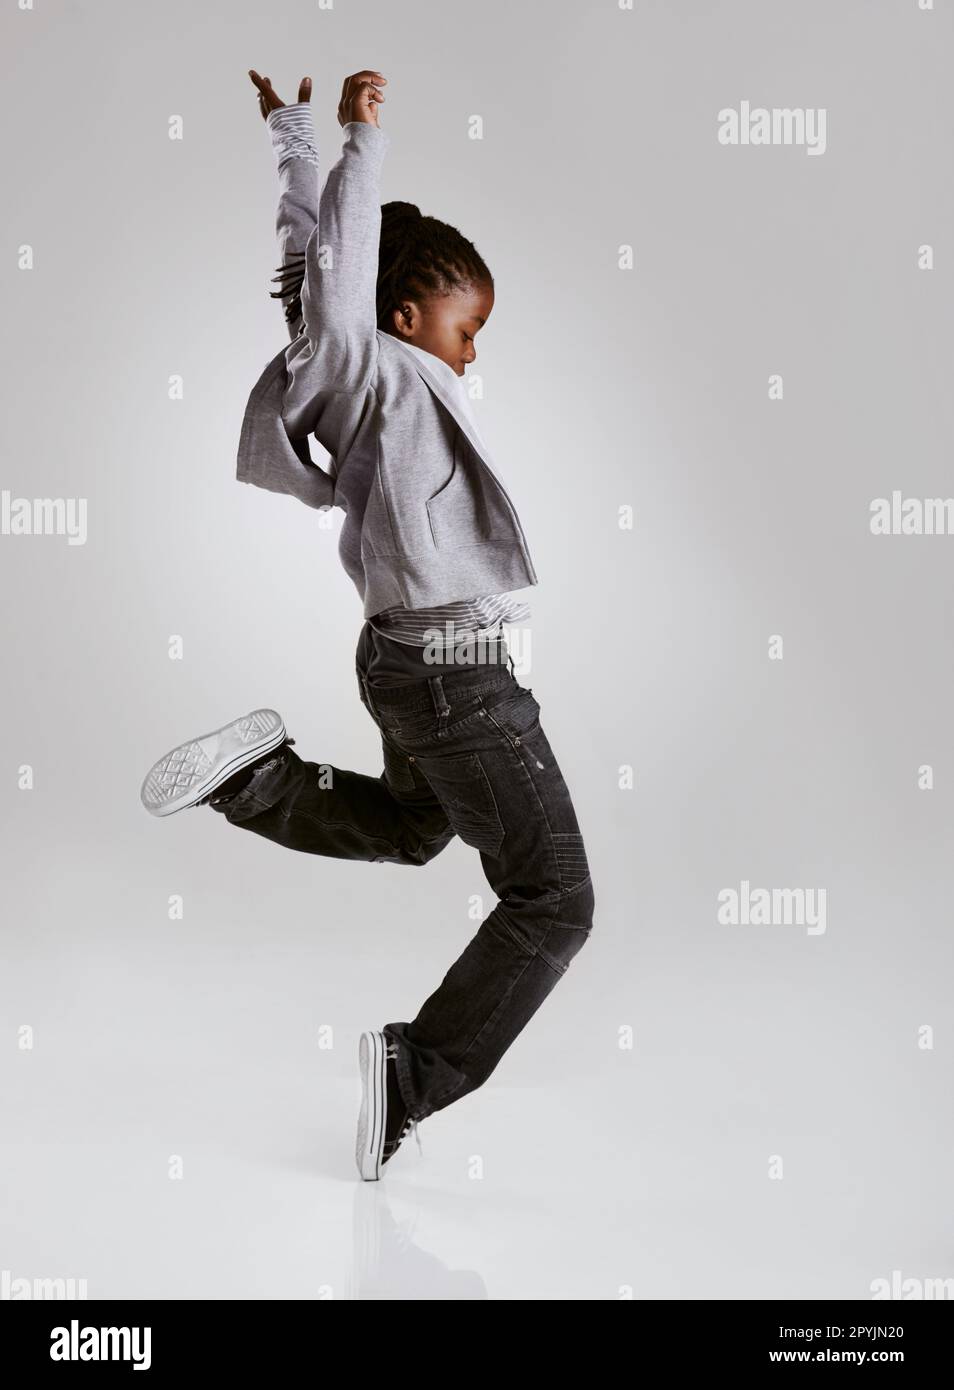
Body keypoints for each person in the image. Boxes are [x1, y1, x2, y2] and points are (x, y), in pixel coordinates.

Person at [139, 69, 595, 1182]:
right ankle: (416, 1071)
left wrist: (290, 139)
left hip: (403, 664)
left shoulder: (346, 362)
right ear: (402, 315)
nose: (473, 351)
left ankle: (257, 780)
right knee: (554, 900)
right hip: (452, 673)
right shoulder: (371, 367)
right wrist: (359, 138)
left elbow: (308, 265)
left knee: (412, 824)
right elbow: (332, 274)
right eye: (466, 326)